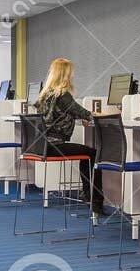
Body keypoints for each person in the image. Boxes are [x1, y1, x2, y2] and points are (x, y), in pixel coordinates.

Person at [35, 57, 103, 216]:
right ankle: (96, 201)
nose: (73, 76)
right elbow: (86, 113)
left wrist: (80, 118)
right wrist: (112, 116)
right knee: (93, 154)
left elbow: (60, 114)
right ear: (65, 75)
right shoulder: (63, 95)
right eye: (71, 73)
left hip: (41, 145)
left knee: (87, 153)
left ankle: (88, 196)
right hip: (54, 145)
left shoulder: (45, 95)